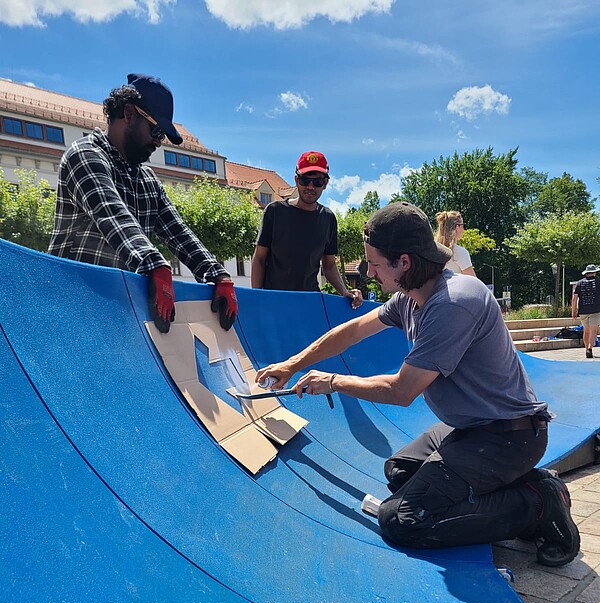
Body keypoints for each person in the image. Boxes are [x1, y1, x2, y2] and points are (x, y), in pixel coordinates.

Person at [256, 201, 580, 567]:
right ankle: (509, 488)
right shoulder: (410, 296)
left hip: (508, 438)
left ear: (404, 262)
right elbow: (353, 330)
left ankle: (537, 503)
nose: (369, 272)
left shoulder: (454, 302)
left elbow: (401, 390)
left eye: (375, 264)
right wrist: (292, 363)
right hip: (470, 428)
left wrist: (333, 381)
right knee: (400, 472)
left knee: (404, 522)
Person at [49, 73, 237, 334]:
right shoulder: (84, 155)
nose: (158, 143)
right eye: (156, 131)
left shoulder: (146, 179)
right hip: (69, 308)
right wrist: (156, 265)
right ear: (129, 113)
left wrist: (217, 274)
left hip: (118, 314)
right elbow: (112, 215)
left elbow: (179, 232)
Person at [251, 151, 363, 308]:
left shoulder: (328, 218)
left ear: (325, 183)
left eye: (317, 182)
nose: (310, 187)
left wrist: (344, 291)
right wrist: (257, 297)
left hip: (309, 302)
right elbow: (259, 258)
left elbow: (329, 265)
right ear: (296, 180)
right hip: (274, 300)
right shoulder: (274, 211)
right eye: (305, 180)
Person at [435, 210, 477, 277]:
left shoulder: (433, 249)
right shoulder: (460, 252)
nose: (463, 229)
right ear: (457, 227)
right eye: (463, 225)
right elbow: (473, 281)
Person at [572, 265, 600, 358]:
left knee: (586, 331)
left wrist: (573, 311)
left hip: (583, 310)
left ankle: (586, 349)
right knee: (593, 331)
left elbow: (574, 298)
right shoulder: (598, 281)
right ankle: (590, 348)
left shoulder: (579, 283)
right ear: (594, 272)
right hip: (596, 310)